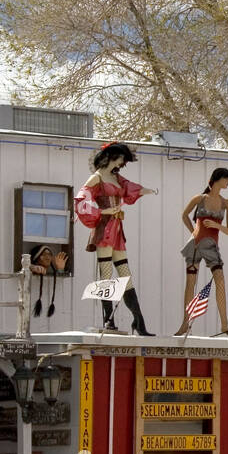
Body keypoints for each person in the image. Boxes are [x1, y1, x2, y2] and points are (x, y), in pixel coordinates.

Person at [74, 142, 157, 335]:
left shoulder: (117, 178)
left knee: (125, 275)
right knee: (106, 274)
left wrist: (148, 190)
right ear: (111, 156)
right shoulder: (96, 178)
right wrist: (103, 211)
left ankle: (138, 321)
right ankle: (108, 320)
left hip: (117, 228)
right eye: (120, 158)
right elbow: (80, 202)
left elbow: (130, 189)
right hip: (104, 229)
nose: (122, 162)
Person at [175, 168, 228, 336]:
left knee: (220, 280)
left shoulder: (226, 203)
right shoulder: (199, 198)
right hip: (195, 244)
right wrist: (193, 230)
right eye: (227, 179)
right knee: (190, 283)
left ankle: (224, 324)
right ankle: (185, 324)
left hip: (211, 246)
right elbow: (184, 215)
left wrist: (217, 226)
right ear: (219, 179)